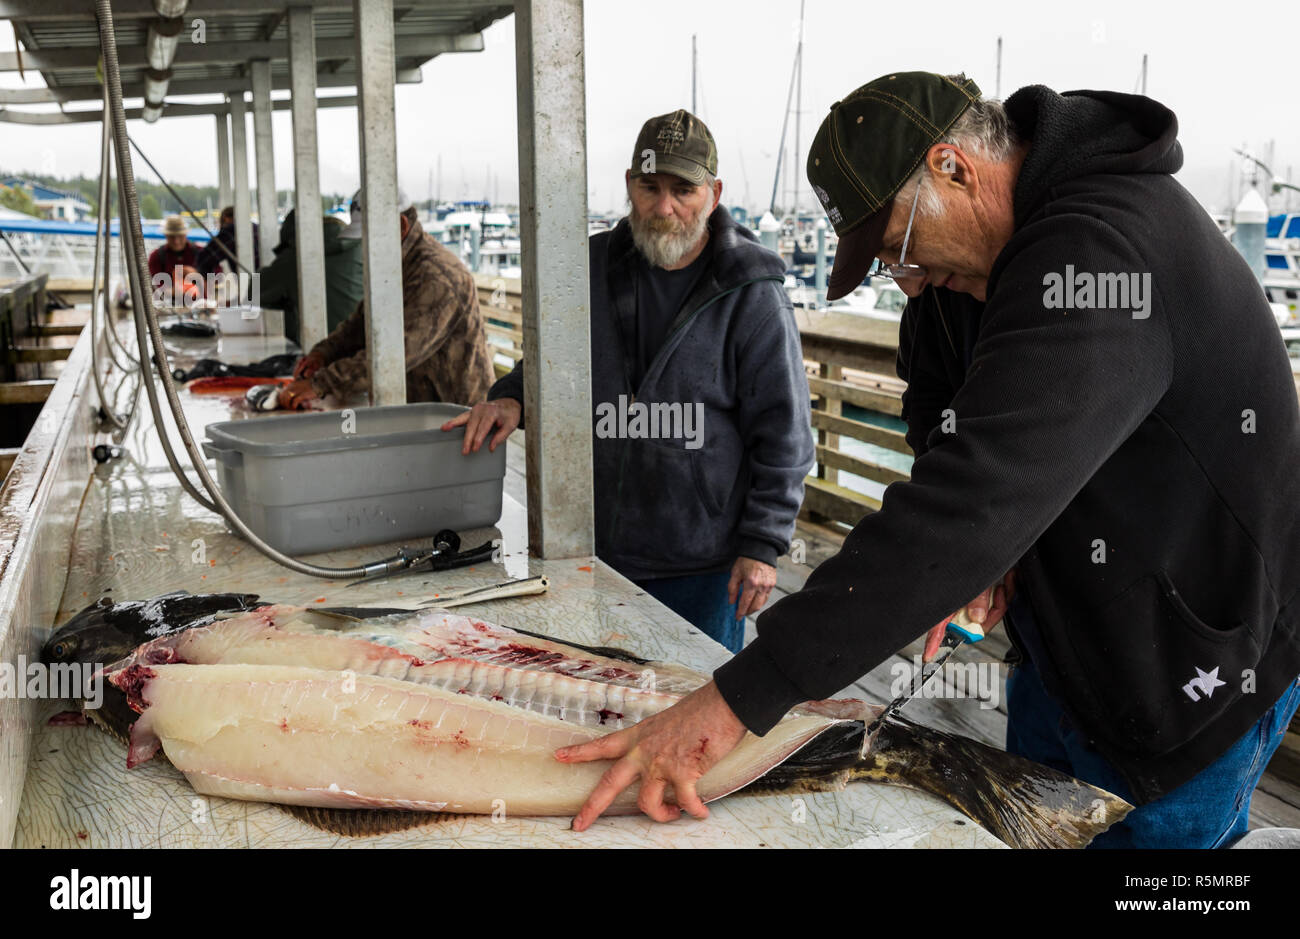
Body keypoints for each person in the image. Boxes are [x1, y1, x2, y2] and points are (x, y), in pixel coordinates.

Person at [556, 72, 1300, 846]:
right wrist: (991, 560)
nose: (906, 278)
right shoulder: (952, 278)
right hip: (1071, 647)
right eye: (886, 262)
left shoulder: (1102, 249)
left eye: (899, 245)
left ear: (954, 167)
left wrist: (739, 699)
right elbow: (939, 420)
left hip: (1201, 656)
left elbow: (973, 499)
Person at [443, 110, 813, 653]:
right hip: (593, 549)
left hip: (702, 563)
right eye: (650, 186)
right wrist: (513, 397)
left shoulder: (752, 292)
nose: (665, 207)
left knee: (693, 705)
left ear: (714, 193)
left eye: (683, 189)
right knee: (595, 702)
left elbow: (786, 430)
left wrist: (763, 545)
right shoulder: (587, 267)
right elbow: (553, 362)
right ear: (628, 185)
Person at [282, 188, 494, 409]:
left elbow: (397, 354)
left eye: (371, 237)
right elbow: (359, 325)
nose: (365, 246)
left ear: (402, 226)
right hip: (422, 412)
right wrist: (324, 353)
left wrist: (321, 383)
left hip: (460, 418)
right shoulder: (396, 266)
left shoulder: (437, 276)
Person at [255, 210, 365, 347]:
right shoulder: (361, 247)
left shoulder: (293, 257)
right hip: (361, 344)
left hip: (318, 351)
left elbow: (251, 294)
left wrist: (284, 300)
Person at [147, 215, 201, 304]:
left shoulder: (200, 252)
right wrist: (174, 291)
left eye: (180, 236)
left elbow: (217, 277)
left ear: (185, 234)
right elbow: (154, 288)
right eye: (172, 236)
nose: (176, 241)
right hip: (169, 307)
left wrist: (196, 273)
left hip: (200, 305)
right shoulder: (156, 256)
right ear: (166, 235)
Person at [195, 205, 260, 276]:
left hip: (252, 282)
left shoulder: (230, 232)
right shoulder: (257, 228)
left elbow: (204, 260)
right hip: (268, 280)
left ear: (226, 218)